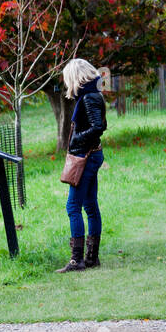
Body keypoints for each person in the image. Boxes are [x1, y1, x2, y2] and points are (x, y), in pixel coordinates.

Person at [57, 58, 107, 273]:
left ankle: (77, 261)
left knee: (73, 207)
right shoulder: (91, 94)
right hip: (91, 154)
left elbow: (98, 127)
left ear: (75, 77)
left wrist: (76, 140)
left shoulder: (88, 97)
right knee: (90, 205)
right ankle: (91, 258)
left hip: (85, 156)